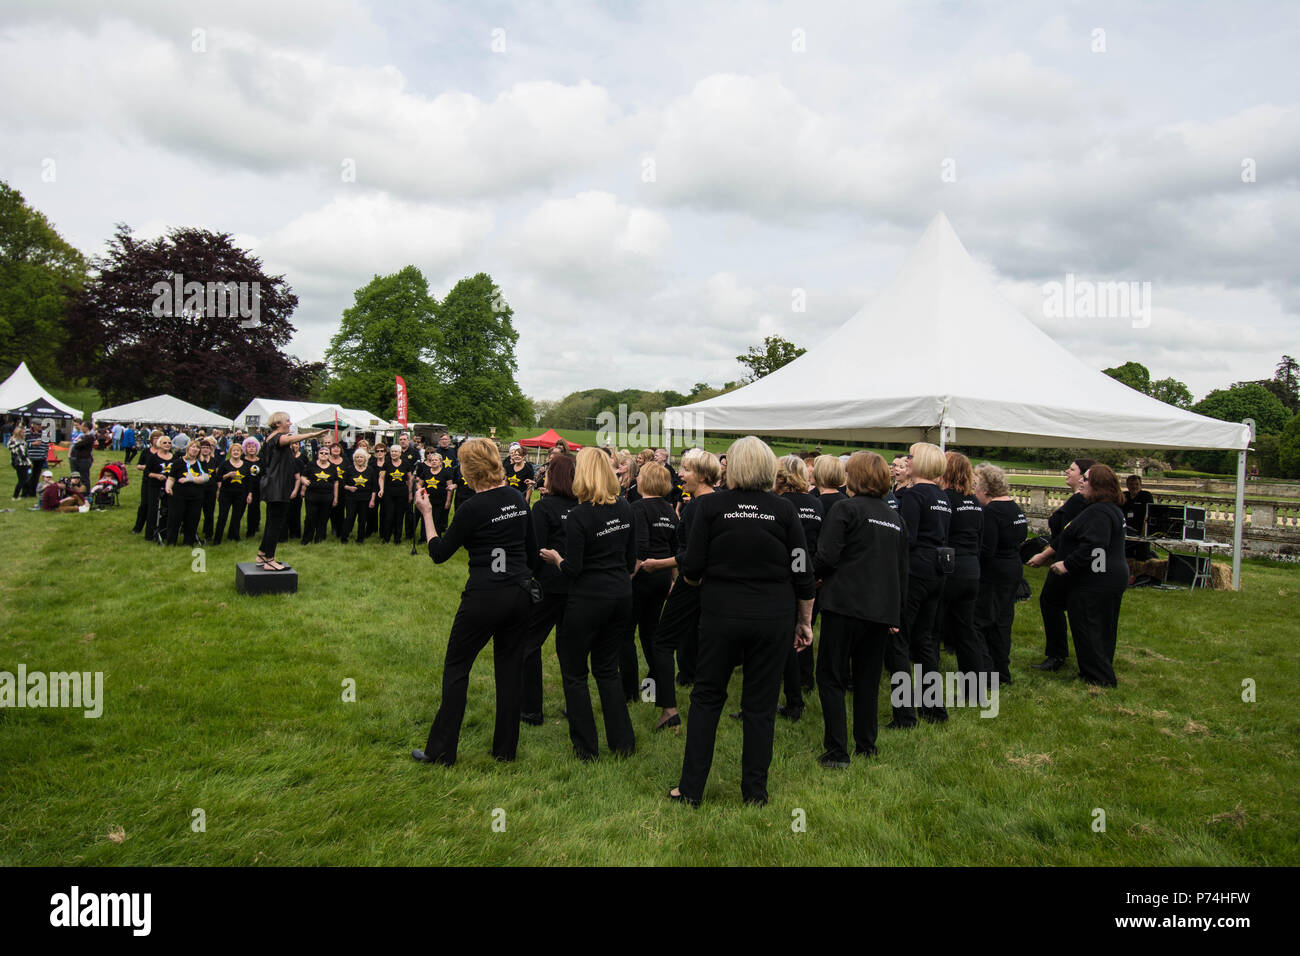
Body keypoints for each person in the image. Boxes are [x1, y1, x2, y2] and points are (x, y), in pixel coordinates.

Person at [670, 437, 815, 807]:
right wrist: (805, 621)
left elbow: (693, 565)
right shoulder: (784, 510)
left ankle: (690, 790)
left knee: (707, 697)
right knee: (761, 704)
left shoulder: (711, 506)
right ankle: (754, 793)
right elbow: (802, 570)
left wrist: (694, 581)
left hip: (721, 615)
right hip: (773, 617)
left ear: (730, 467)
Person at [411, 437, 537, 765]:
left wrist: (426, 513)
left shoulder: (471, 508)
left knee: (457, 667)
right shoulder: (517, 499)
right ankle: (505, 750)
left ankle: (440, 752)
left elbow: (439, 553)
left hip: (485, 596)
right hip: (519, 593)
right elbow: (531, 549)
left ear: (468, 470)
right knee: (510, 671)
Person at [539, 447, 637, 761]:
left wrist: (556, 559)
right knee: (608, 669)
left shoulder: (581, 515)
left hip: (589, 599)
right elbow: (631, 560)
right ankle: (623, 743)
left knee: (574, 671)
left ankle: (586, 749)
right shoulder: (625, 508)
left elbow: (574, 569)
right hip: (621, 595)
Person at [814, 453, 909, 766]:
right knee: (867, 680)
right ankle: (867, 745)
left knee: (831, 677)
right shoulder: (895, 519)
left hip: (843, 605)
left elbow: (826, 557)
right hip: (879, 610)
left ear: (851, 477)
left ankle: (837, 750)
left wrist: (808, 577)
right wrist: (896, 615)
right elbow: (900, 571)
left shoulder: (845, 508)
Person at [645, 449, 719, 730]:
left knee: (662, 642)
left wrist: (658, 564)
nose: (680, 475)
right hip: (712, 587)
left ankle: (669, 711)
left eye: (686, 470)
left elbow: (692, 555)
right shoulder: (717, 502)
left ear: (701, 475)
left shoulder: (698, 507)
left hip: (693, 584)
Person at [886, 441, 952, 728]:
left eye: (910, 457)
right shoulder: (942, 496)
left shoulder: (914, 495)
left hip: (915, 570)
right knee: (925, 640)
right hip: (937, 570)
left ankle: (904, 714)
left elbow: (906, 537)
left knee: (898, 640)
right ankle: (934, 707)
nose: (906, 460)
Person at [1050, 464, 1129, 687]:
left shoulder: (1100, 512)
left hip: (1098, 580)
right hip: (1108, 575)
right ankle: (1097, 669)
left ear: (1098, 485)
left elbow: (1095, 547)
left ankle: (1099, 676)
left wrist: (1067, 565)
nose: (1081, 482)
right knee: (1102, 626)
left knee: (1088, 624)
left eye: (1086, 478)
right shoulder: (1111, 509)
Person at [520, 453, 578, 725]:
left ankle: (531, 709)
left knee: (529, 644)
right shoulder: (583, 506)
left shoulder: (543, 509)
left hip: (548, 586)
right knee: (569, 648)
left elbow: (534, 549)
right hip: (575, 584)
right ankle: (573, 704)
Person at [1026, 458, 1096, 671]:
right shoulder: (1076, 500)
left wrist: (1044, 555)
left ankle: (1057, 654)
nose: (1067, 471)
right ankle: (1061, 653)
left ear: (1083, 475)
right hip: (1064, 557)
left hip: (1067, 560)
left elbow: (1066, 535)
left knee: (1051, 602)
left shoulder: (1079, 502)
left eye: (1072, 469)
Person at [774, 454, 824, 719]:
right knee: (801, 635)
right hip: (807, 573)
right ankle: (803, 686)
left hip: (784, 577)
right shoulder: (816, 504)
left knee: (780, 640)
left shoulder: (780, 504)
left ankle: (792, 700)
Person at [628, 461, 678, 705]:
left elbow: (640, 548)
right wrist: (672, 580)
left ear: (644, 482)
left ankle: (629, 691)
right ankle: (654, 684)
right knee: (650, 632)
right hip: (662, 576)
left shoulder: (638, 508)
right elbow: (675, 549)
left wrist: (629, 576)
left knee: (626, 634)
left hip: (643, 575)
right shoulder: (670, 510)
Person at [253, 413, 330, 571]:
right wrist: (314, 434)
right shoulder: (278, 437)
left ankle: (262, 554)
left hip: (275, 483)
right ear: (277, 423)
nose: (290, 423)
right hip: (277, 485)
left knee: (271, 522)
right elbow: (291, 439)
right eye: (287, 421)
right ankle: (269, 559)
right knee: (275, 524)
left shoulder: (272, 437)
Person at [974, 463, 1027, 686]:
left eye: (976, 486)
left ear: (986, 490)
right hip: (1013, 567)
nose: (974, 490)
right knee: (1003, 621)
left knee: (982, 621)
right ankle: (1001, 671)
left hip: (995, 572)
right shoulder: (1015, 508)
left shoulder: (992, 512)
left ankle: (988, 672)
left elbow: (987, 550)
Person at [936, 452, 983, 666]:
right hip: (971, 568)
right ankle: (973, 684)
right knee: (966, 629)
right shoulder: (974, 501)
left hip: (949, 567)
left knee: (933, 627)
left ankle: (928, 681)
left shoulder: (944, 499)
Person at [164, 438, 210, 546]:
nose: (195, 449)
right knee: (175, 519)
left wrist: (190, 479)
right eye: (193, 447)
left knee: (192, 520)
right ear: (188, 448)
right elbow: (171, 478)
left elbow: (206, 478)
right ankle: (171, 542)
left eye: (197, 448)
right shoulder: (178, 463)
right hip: (179, 496)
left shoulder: (201, 464)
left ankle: (189, 542)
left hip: (196, 497)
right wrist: (168, 487)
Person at [213, 440, 252, 545]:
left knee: (237, 516)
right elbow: (217, 478)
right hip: (226, 493)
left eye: (238, 451)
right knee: (222, 515)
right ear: (230, 452)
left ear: (241, 452)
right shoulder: (224, 464)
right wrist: (227, 475)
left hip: (241, 494)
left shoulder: (246, 465)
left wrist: (249, 494)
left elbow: (249, 481)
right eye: (234, 450)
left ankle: (234, 536)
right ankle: (217, 538)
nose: (236, 452)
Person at [300, 444, 339, 544]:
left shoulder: (333, 467)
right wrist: (304, 481)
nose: (324, 455)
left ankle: (319, 539)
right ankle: (307, 539)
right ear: (318, 454)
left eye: (326, 453)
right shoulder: (311, 465)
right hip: (312, 496)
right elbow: (303, 476)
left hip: (327, 497)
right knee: (310, 518)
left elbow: (336, 482)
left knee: (323, 519)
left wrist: (335, 498)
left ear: (329, 455)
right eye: (321, 453)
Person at [340, 448, 378, 543]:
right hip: (351, 498)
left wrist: (372, 500)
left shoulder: (370, 470)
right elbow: (342, 483)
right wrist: (349, 487)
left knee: (362, 519)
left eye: (361, 457)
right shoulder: (349, 469)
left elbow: (374, 487)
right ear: (354, 459)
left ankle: (360, 538)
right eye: (357, 457)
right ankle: (344, 537)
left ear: (365, 458)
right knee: (349, 517)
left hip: (365, 499)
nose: (359, 459)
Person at [378, 445, 412, 545]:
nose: (394, 453)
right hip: (389, 493)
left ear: (400, 453)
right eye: (392, 451)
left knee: (399, 516)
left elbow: (410, 478)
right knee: (389, 516)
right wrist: (381, 489)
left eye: (396, 452)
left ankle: (397, 538)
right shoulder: (387, 464)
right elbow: (381, 478)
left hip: (402, 493)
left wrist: (410, 492)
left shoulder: (406, 463)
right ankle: (386, 538)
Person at [143, 433, 174, 542]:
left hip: (168, 486)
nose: (167, 444)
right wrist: (157, 476)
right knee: (153, 509)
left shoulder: (173, 457)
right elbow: (147, 472)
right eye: (164, 442)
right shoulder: (153, 457)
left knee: (167, 509)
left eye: (169, 443)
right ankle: (150, 534)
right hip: (155, 485)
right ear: (159, 444)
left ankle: (164, 531)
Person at [198, 438, 220, 542]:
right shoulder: (197, 461)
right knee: (196, 511)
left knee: (209, 512)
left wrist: (218, 490)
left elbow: (217, 476)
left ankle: (208, 533)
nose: (206, 450)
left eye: (207, 447)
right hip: (199, 489)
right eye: (203, 448)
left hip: (211, 489)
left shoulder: (214, 461)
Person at [243, 438, 264, 539]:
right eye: (249, 447)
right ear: (245, 448)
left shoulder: (261, 461)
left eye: (253, 447)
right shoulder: (242, 460)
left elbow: (264, 474)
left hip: (257, 488)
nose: (251, 449)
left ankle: (253, 529)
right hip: (244, 487)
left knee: (255, 509)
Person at [69, 421, 95, 489]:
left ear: (86, 427)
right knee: (77, 476)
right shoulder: (82, 436)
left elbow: (77, 445)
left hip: (84, 460)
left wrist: (78, 442)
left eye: (82, 426)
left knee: (84, 476)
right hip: (79, 459)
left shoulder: (89, 437)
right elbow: (75, 443)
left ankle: (86, 492)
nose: (81, 427)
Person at [9, 425, 31, 500]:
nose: (24, 434)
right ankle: (15, 496)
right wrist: (29, 462)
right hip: (21, 463)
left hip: (21, 463)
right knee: (22, 480)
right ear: (18, 433)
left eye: (24, 432)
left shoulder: (21, 441)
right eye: (22, 432)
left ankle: (24, 494)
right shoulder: (17, 442)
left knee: (26, 479)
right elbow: (22, 454)